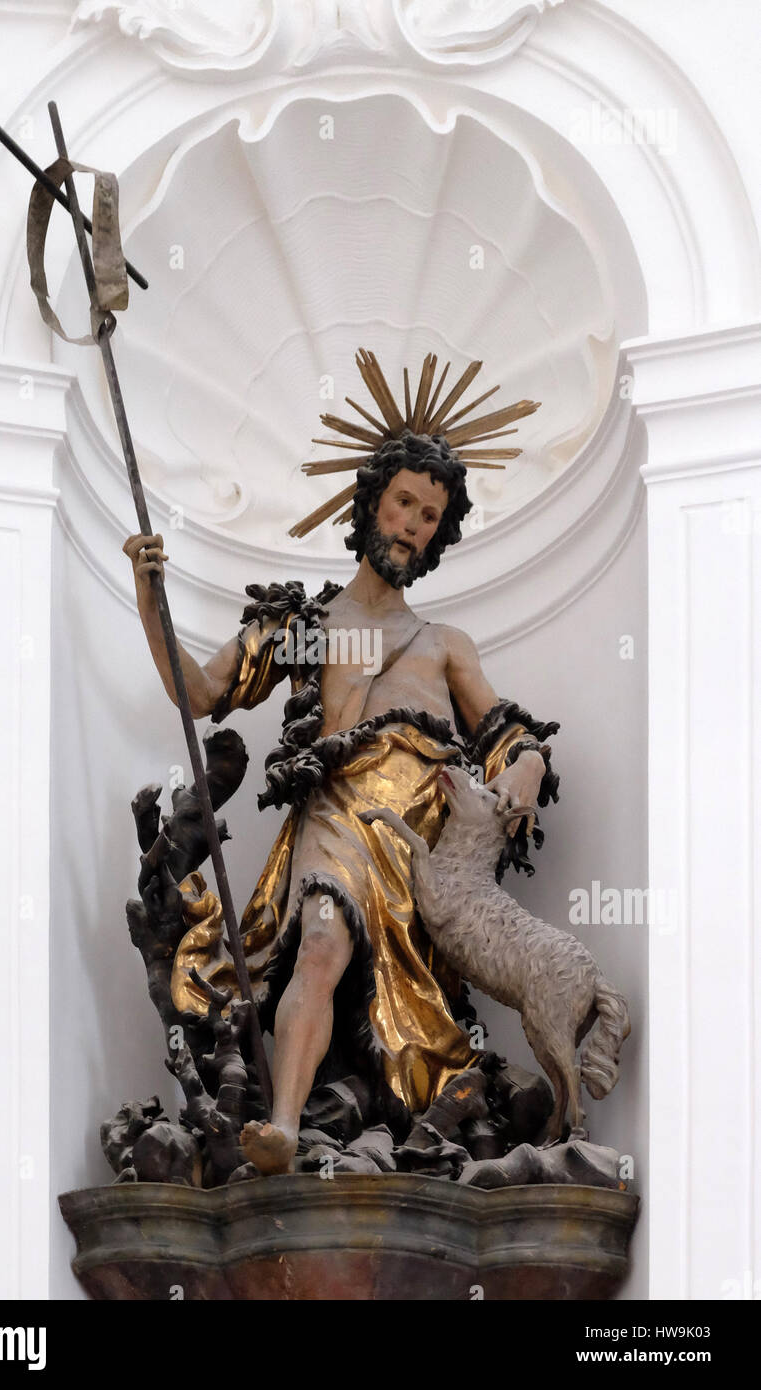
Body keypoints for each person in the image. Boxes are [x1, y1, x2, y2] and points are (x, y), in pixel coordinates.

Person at [124, 354, 559, 1175]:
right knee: (319, 943)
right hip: (335, 819)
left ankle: (392, 1121)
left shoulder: (445, 645)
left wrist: (525, 767)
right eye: (403, 502)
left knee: (417, 1027)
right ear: (371, 502)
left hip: (421, 857)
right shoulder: (310, 624)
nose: (413, 525)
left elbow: (509, 734)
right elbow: (203, 691)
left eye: (431, 515)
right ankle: (283, 1128)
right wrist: (152, 603)